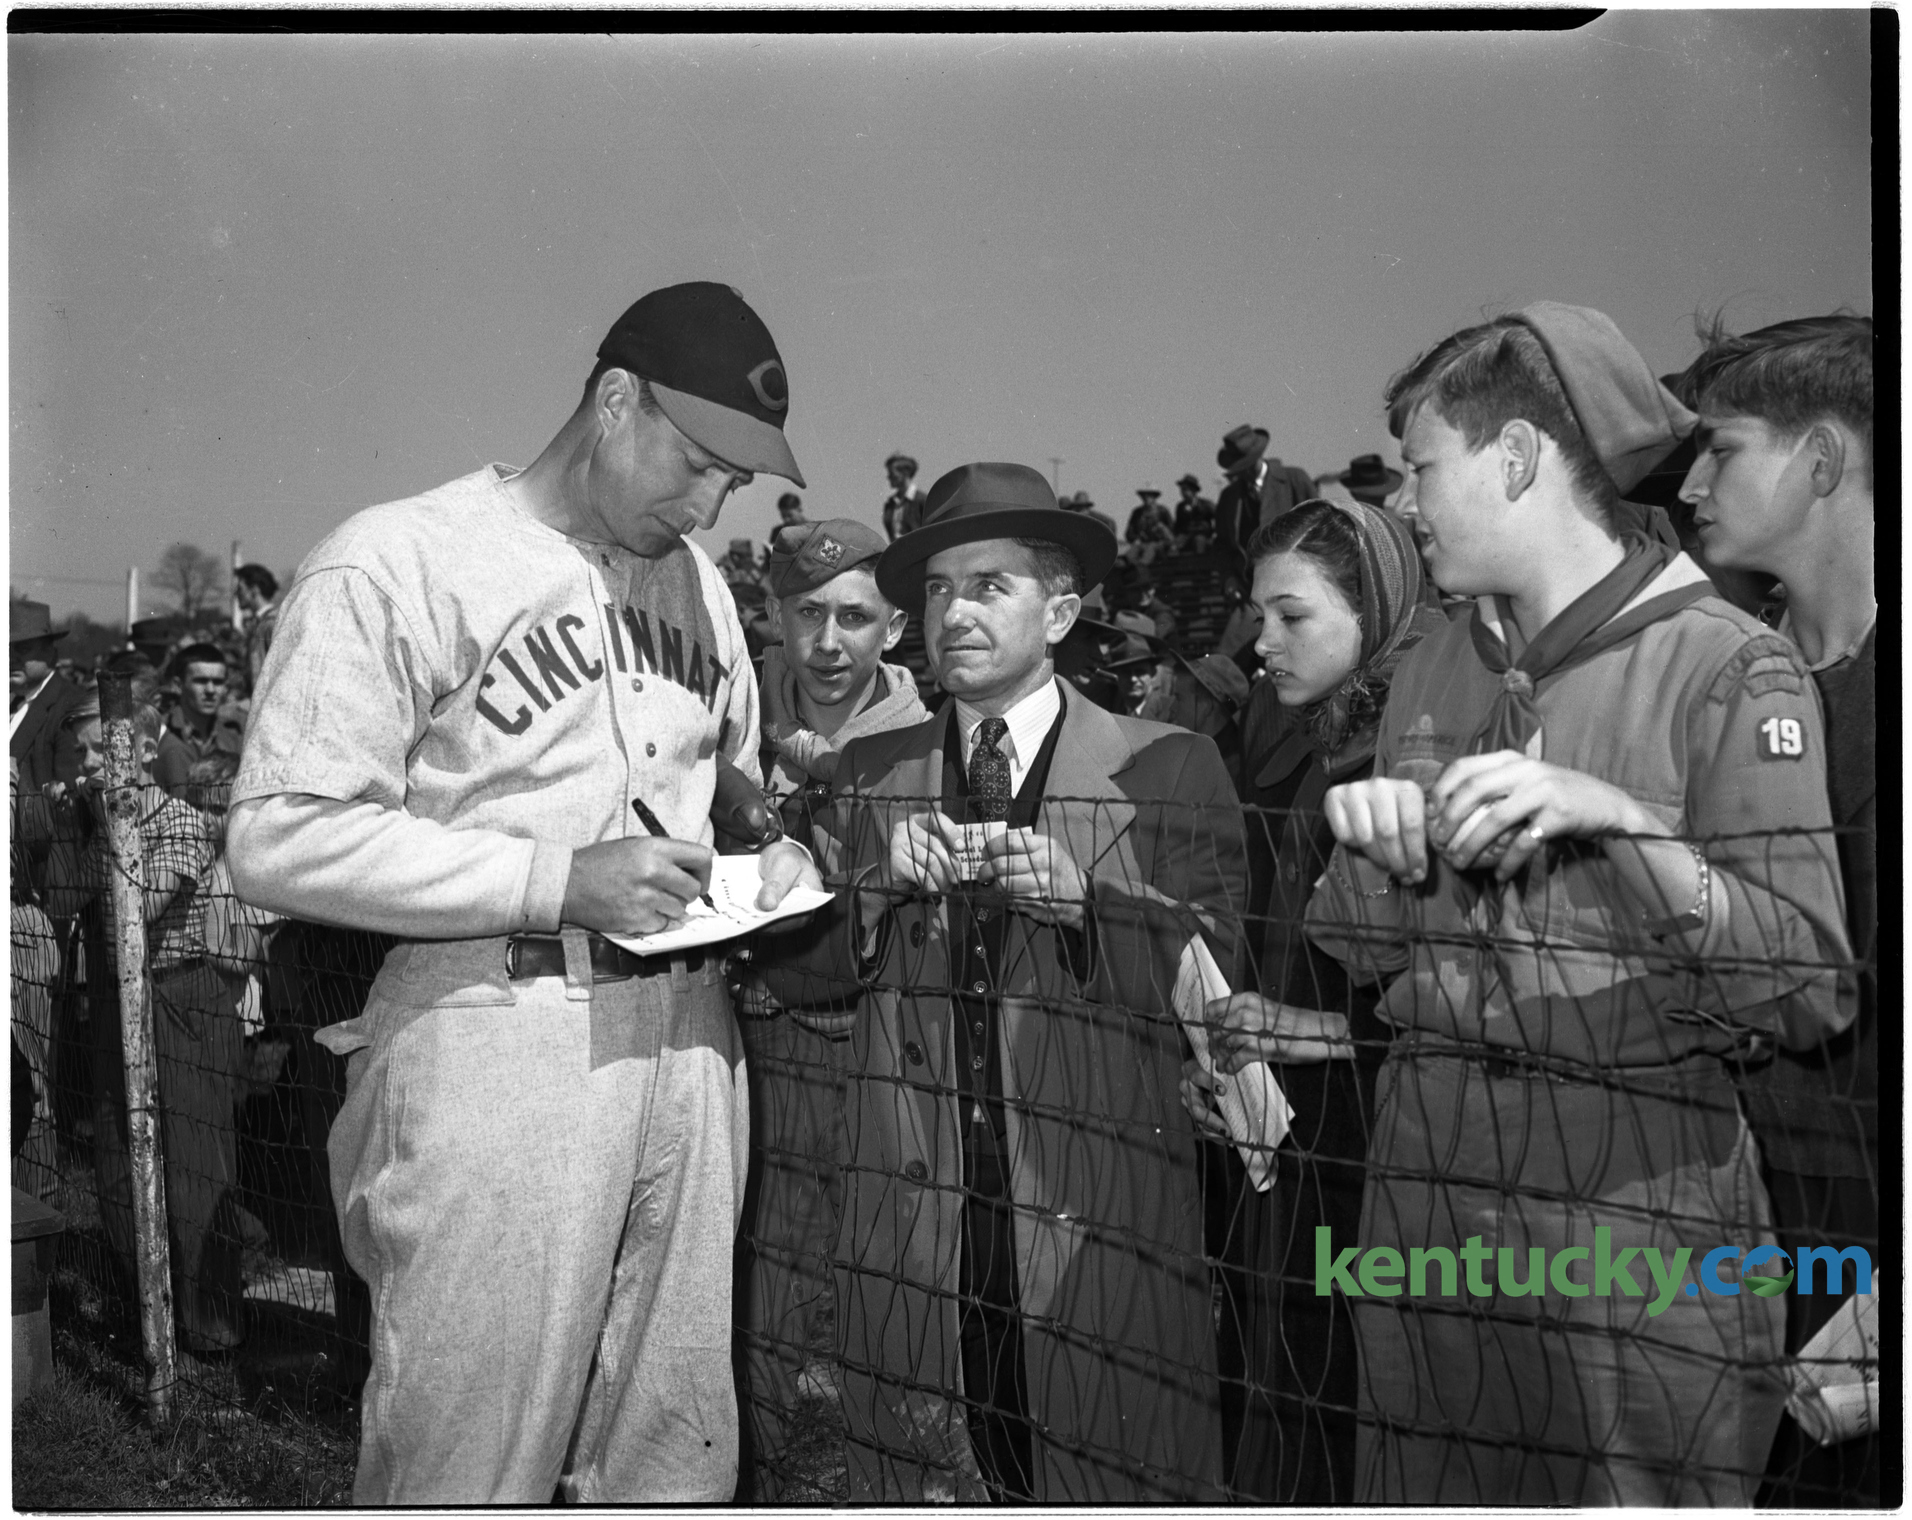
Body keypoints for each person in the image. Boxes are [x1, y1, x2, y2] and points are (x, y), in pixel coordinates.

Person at [225, 281, 824, 1505]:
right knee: (471, 1450)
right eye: (699, 464)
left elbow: (727, 777)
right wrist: (554, 876)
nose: (710, 506)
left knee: (672, 1449)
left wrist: (763, 843)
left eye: (736, 485)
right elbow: (277, 835)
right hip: (499, 1024)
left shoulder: (697, 585)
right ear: (614, 400)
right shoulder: (401, 555)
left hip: (691, 1037)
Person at [1305, 303, 1853, 1504]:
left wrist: (1625, 822)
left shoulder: (1721, 664)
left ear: (1514, 458)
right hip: (1425, 1182)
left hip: (1631, 1205)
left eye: (1420, 469)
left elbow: (1808, 992)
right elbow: (1349, 946)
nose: (1405, 502)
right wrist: (1374, 851)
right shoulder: (1435, 665)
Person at [775, 463, 1247, 1502]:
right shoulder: (864, 775)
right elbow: (791, 972)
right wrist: (868, 889)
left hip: (1091, 1230)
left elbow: (1224, 978)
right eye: (938, 589)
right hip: (916, 1243)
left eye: (989, 585)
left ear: (1063, 609)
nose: (955, 612)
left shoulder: (1170, 766)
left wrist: (1091, 907)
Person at [1179, 497, 1445, 1501]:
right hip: (1301, 1144)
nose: (1261, 643)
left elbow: (1479, 977)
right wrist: (1243, 1064)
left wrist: (1326, 1032)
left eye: (1293, 616)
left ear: (1373, 610)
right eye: (1257, 617)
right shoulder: (1316, 751)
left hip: (1384, 1152)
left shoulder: (1417, 761)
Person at [1671, 313, 1879, 1506]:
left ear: (1822, 461)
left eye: (1724, 449)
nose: (1693, 484)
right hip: (1726, 1196)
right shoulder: (1726, 678)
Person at [730, 516, 927, 1499]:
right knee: (762, 1253)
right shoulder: (733, 705)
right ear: (774, 614)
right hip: (743, 1016)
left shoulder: (922, 734)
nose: (829, 639)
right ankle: (759, 1466)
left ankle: (884, 1469)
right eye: (807, 611)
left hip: (869, 1029)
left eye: (855, 615)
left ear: (893, 626)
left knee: (870, 1266)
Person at [45, 696, 259, 1353]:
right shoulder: (92, 822)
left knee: (195, 1159)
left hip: (182, 995)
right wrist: (71, 827)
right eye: (75, 752)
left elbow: (133, 909)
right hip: (117, 1002)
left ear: (138, 750)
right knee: (117, 1153)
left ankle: (205, 1315)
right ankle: (141, 1303)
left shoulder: (181, 824)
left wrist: (102, 830)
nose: (84, 766)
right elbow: (57, 899)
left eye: (96, 750)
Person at [1214, 424, 1314, 576]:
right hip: (1248, 586)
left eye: (1246, 466)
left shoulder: (1296, 480)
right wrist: (1229, 578)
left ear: (1257, 457)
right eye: (1238, 468)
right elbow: (1222, 545)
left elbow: (1321, 530)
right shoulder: (1228, 497)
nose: (1243, 472)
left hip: (1294, 579)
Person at [154, 642, 231, 802]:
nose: (210, 690)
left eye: (217, 682)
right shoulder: (160, 734)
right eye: (200, 681)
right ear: (178, 685)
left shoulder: (235, 736)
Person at [234, 565, 281, 691]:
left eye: (240, 589)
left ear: (254, 590)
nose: (236, 594)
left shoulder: (273, 623)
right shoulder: (259, 624)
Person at [881, 452, 928, 541]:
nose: (889, 477)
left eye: (892, 473)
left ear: (905, 473)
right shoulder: (890, 505)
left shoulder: (922, 500)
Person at [1124, 486, 1176, 562]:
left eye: (1149, 496)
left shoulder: (1162, 511)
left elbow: (1172, 529)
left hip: (1159, 544)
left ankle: (1141, 567)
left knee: (1148, 554)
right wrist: (1136, 539)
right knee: (1129, 555)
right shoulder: (1137, 512)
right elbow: (1129, 532)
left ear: (1154, 497)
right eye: (1144, 496)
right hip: (1142, 543)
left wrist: (1162, 532)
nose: (1146, 498)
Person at [1172, 473, 1217, 551]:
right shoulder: (1180, 506)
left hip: (1201, 535)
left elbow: (1219, 518)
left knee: (1198, 542)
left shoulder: (1206, 505)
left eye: (1185, 489)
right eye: (1182, 489)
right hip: (1185, 535)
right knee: (1173, 547)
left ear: (1193, 491)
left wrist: (1214, 533)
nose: (1183, 492)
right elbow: (1177, 526)